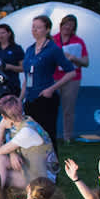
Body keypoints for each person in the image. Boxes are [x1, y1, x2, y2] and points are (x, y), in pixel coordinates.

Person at [20, 14, 77, 149]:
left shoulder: (53, 49)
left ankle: (52, 159)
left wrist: (51, 89)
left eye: (38, 27)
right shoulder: (29, 50)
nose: (35, 30)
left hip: (45, 97)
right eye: (33, 27)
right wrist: (20, 98)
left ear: (47, 30)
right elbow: (28, 75)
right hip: (30, 97)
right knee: (30, 134)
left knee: (47, 134)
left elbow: (71, 72)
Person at [0, 93, 58, 189]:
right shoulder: (24, 120)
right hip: (31, 169)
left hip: (42, 180)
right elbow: (9, 144)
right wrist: (12, 153)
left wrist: (1, 127)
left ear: (4, 117)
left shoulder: (27, 132)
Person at [54, 14, 90, 143]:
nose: (67, 27)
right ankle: (51, 135)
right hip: (55, 77)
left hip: (72, 79)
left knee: (68, 109)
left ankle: (67, 137)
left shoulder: (78, 41)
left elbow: (86, 62)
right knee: (51, 107)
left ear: (74, 28)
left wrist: (73, 58)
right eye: (66, 24)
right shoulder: (53, 39)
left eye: (71, 26)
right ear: (61, 25)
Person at [0, 23, 25, 95]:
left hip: (11, 86)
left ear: (9, 33)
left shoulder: (16, 49)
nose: (0, 36)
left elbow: (23, 68)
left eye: (3, 33)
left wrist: (9, 67)